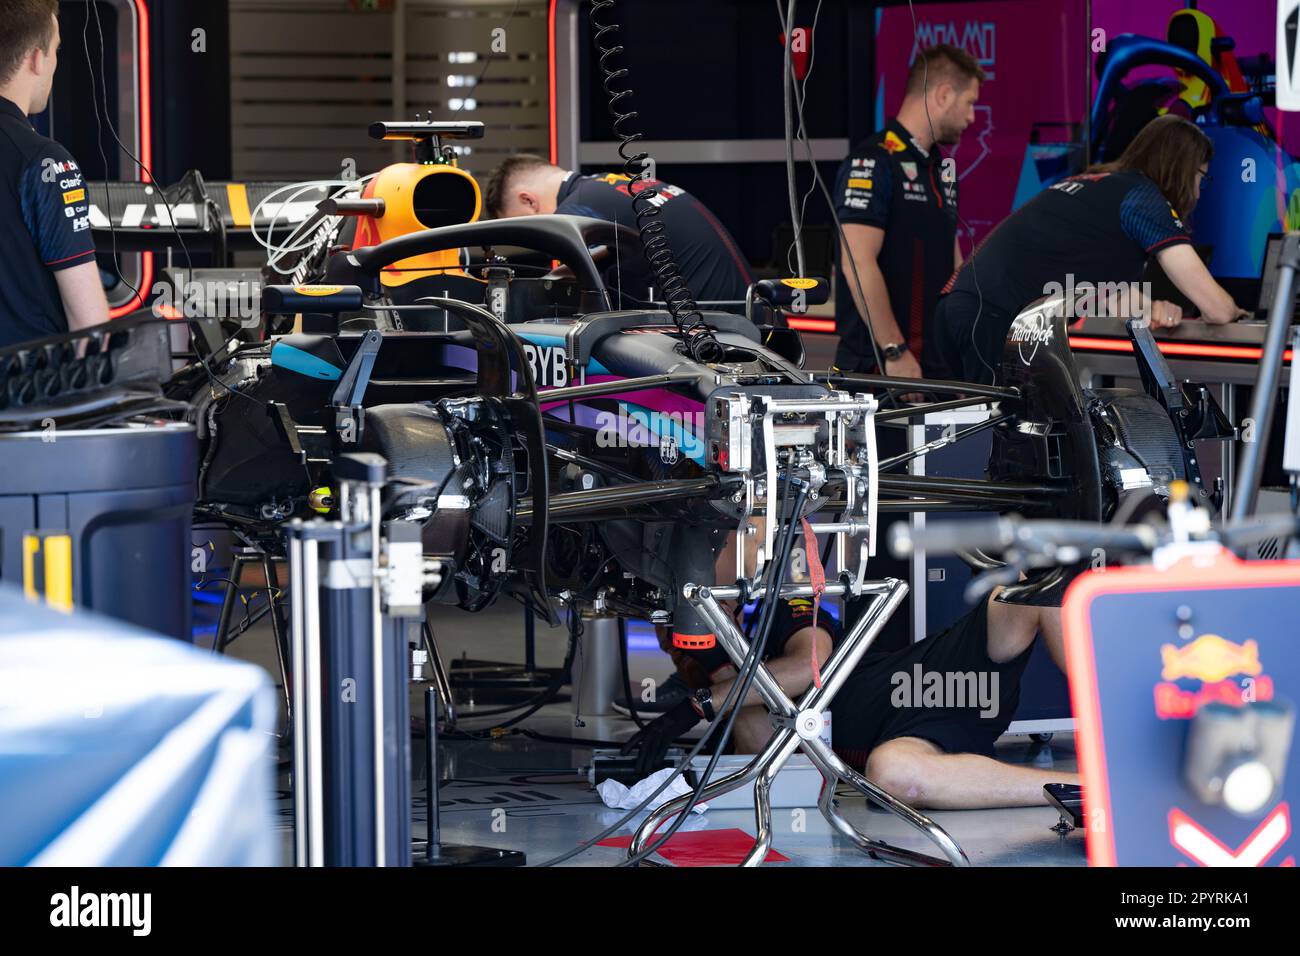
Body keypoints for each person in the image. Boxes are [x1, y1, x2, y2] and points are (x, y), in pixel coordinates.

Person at [625, 534, 1080, 809]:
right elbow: (764, 749)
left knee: (1021, 594)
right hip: (913, 735)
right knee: (892, 775)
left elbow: (810, 665)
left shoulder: (781, 601)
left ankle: (1124, 721)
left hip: (927, 675)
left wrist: (696, 706)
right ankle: (1085, 788)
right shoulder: (703, 651)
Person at [936, 113, 1249, 385]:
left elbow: (1107, 295)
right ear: (1182, 170)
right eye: (1201, 178)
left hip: (959, 311)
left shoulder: (1097, 185)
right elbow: (1217, 309)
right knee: (1000, 443)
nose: (1197, 192)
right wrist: (1238, 312)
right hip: (991, 319)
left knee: (988, 438)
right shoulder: (1143, 199)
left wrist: (1152, 307)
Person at [832, 43, 983, 380]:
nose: (972, 117)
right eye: (970, 102)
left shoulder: (942, 168)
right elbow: (856, 262)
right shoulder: (873, 160)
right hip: (879, 369)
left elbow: (952, 263)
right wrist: (895, 350)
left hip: (932, 368)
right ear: (943, 94)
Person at [483, 155, 753, 310]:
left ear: (529, 200)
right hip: (751, 319)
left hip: (714, 336)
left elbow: (562, 282)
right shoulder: (605, 186)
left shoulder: (576, 208)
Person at [0, 0, 108, 349]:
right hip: (28, 395)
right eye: (56, 49)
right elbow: (90, 330)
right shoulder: (45, 163)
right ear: (36, 57)